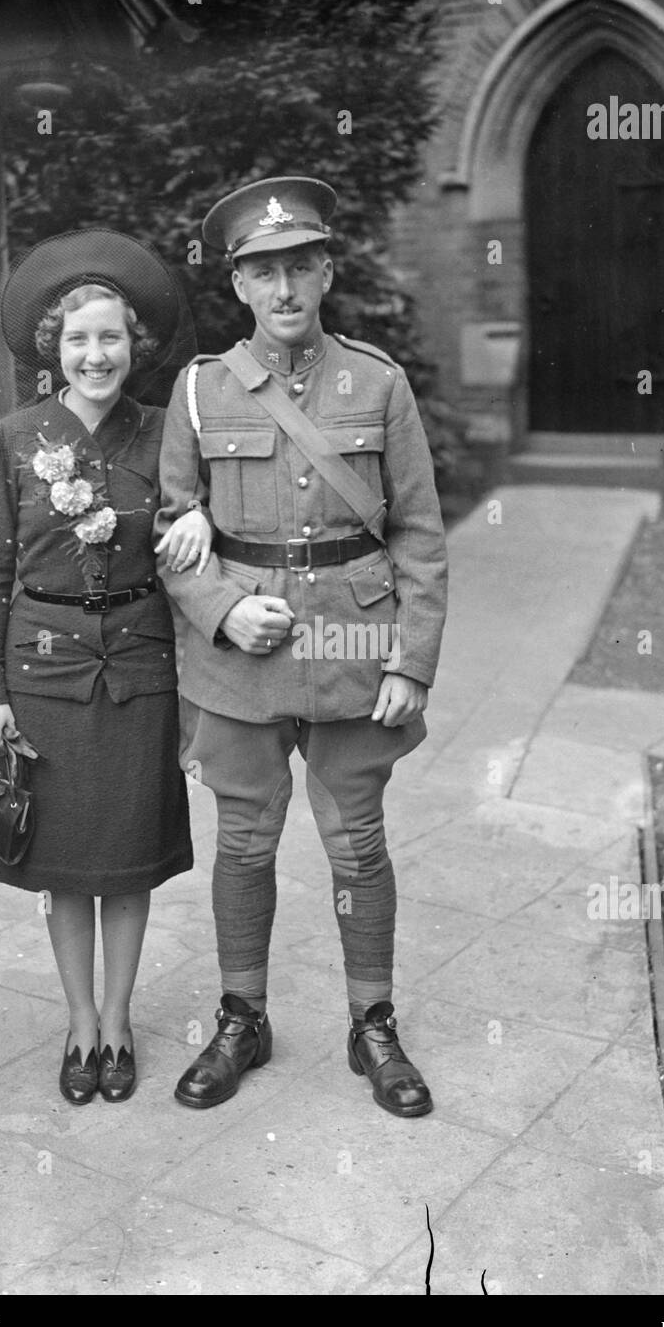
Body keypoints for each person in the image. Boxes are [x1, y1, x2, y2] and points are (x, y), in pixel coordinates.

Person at [154, 177, 448, 1118]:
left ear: (326, 272)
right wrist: (220, 610)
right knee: (243, 844)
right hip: (239, 656)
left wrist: (411, 659)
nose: (283, 290)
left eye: (298, 268)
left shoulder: (380, 383)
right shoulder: (200, 391)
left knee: (357, 845)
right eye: (262, 272)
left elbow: (420, 535)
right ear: (237, 284)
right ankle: (243, 1017)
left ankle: (373, 1025)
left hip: (358, 643)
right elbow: (170, 530)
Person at [0, 229, 211, 1105]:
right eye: (78, 339)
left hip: (143, 673)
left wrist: (203, 523)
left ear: (133, 345)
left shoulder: (167, 433)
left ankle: (118, 1020)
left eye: (110, 337)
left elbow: (196, 537)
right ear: (52, 349)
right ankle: (78, 1024)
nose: (96, 354)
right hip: (44, 679)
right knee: (64, 863)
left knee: (129, 858)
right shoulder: (10, 439)